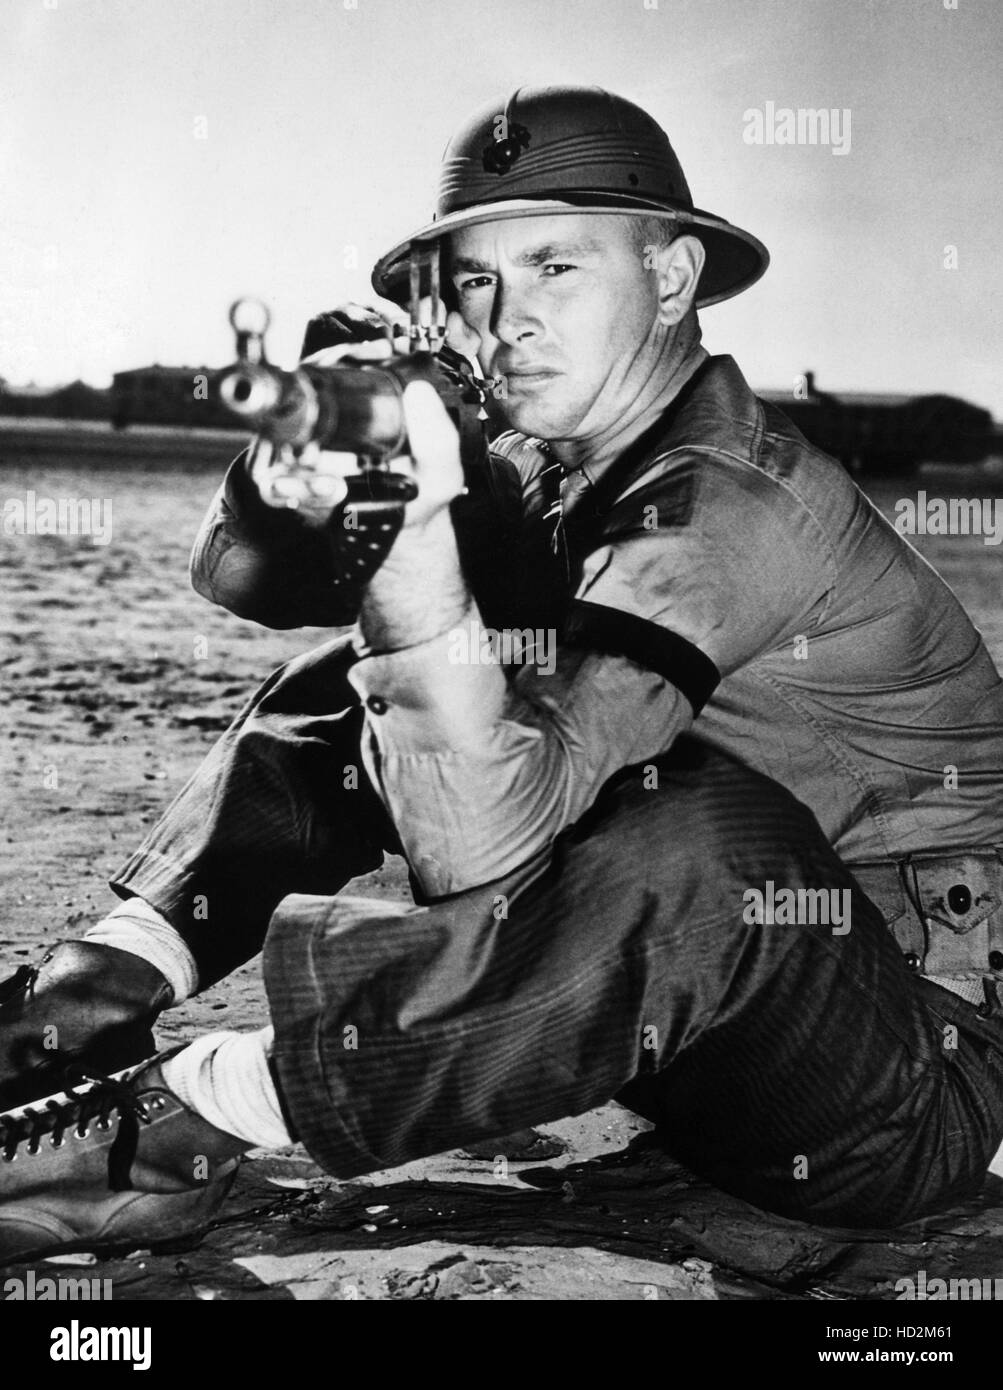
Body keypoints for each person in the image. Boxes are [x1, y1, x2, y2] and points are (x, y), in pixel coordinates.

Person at [2, 85, 1003, 1264]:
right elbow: (239, 583)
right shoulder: (545, 456)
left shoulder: (733, 500)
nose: (508, 317)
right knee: (348, 682)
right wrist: (298, 467)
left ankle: (176, 1127)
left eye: (554, 268)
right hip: (680, 1041)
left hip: (901, 1087)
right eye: (476, 281)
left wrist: (411, 544)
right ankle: (92, 991)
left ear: (672, 276)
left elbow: (492, 849)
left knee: (696, 839)